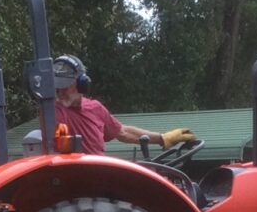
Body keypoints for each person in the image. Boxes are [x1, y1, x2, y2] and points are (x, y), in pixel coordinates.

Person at [51, 54, 192, 157]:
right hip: (79, 178)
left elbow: (123, 132)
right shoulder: (54, 112)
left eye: (65, 86)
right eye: (57, 86)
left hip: (99, 173)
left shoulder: (95, 108)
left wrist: (163, 138)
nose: (60, 91)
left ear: (82, 84)